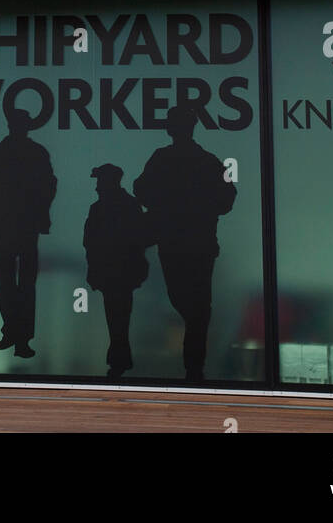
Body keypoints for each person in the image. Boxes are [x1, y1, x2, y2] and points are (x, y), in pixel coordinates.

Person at [134, 104, 236, 383]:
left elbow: (141, 189)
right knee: (195, 305)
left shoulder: (169, 159)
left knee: (191, 303)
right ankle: (194, 366)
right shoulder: (207, 161)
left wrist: (169, 206)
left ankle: (194, 367)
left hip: (181, 242)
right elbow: (226, 198)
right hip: (195, 243)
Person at [0, 110, 56, 359]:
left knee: (12, 284)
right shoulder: (32, 154)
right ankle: (18, 336)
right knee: (18, 284)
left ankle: (16, 335)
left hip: (11, 227)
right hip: (18, 227)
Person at [83, 164, 150, 379]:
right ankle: (120, 358)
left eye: (99, 181)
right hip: (119, 272)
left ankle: (119, 359)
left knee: (116, 316)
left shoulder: (105, 208)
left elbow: (90, 241)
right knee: (118, 316)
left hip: (116, 272)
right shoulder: (126, 205)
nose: (96, 187)